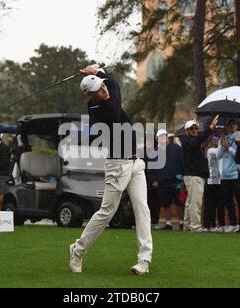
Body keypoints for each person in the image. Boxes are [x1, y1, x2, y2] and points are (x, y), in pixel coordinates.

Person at [69, 65, 153, 275]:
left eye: (102, 86)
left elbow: (111, 83)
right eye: (98, 90)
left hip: (135, 163)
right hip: (117, 165)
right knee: (107, 212)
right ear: (91, 96)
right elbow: (114, 91)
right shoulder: (100, 109)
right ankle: (77, 250)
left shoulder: (104, 92)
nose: (104, 89)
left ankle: (144, 260)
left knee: (142, 209)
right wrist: (96, 71)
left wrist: (96, 73)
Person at [179, 116, 220, 232]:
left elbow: (198, 141)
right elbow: (198, 140)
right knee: (195, 202)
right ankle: (195, 226)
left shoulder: (190, 142)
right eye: (192, 129)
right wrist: (210, 128)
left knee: (190, 202)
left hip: (193, 175)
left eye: (196, 129)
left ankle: (187, 225)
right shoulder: (187, 141)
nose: (195, 131)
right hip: (194, 176)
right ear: (186, 131)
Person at [150, 129, 185, 231]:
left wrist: (183, 176)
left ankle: (182, 223)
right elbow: (151, 168)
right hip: (162, 182)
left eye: (164, 136)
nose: (162, 138)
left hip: (177, 180)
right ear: (157, 139)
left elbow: (182, 162)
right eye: (160, 137)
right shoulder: (154, 152)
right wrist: (154, 180)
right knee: (165, 203)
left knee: (179, 202)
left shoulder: (176, 148)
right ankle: (168, 223)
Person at [217, 119, 240, 233]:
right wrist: (222, 145)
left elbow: (238, 154)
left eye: (233, 124)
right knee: (228, 201)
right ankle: (233, 223)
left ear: (236, 126)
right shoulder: (224, 138)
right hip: (225, 175)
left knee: (238, 200)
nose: (231, 127)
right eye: (229, 124)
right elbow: (218, 155)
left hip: (235, 174)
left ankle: (239, 223)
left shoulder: (238, 138)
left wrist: (228, 147)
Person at [204, 136, 225, 232]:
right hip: (211, 181)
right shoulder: (210, 150)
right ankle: (209, 225)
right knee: (210, 204)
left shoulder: (219, 149)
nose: (216, 140)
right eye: (214, 138)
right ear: (210, 140)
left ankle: (221, 225)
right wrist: (222, 141)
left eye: (218, 138)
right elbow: (219, 154)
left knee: (220, 205)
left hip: (221, 180)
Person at [0, 134, 12, 204]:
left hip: (3, 175)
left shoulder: (5, 148)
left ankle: (2, 211)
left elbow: (4, 162)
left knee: (1, 194)